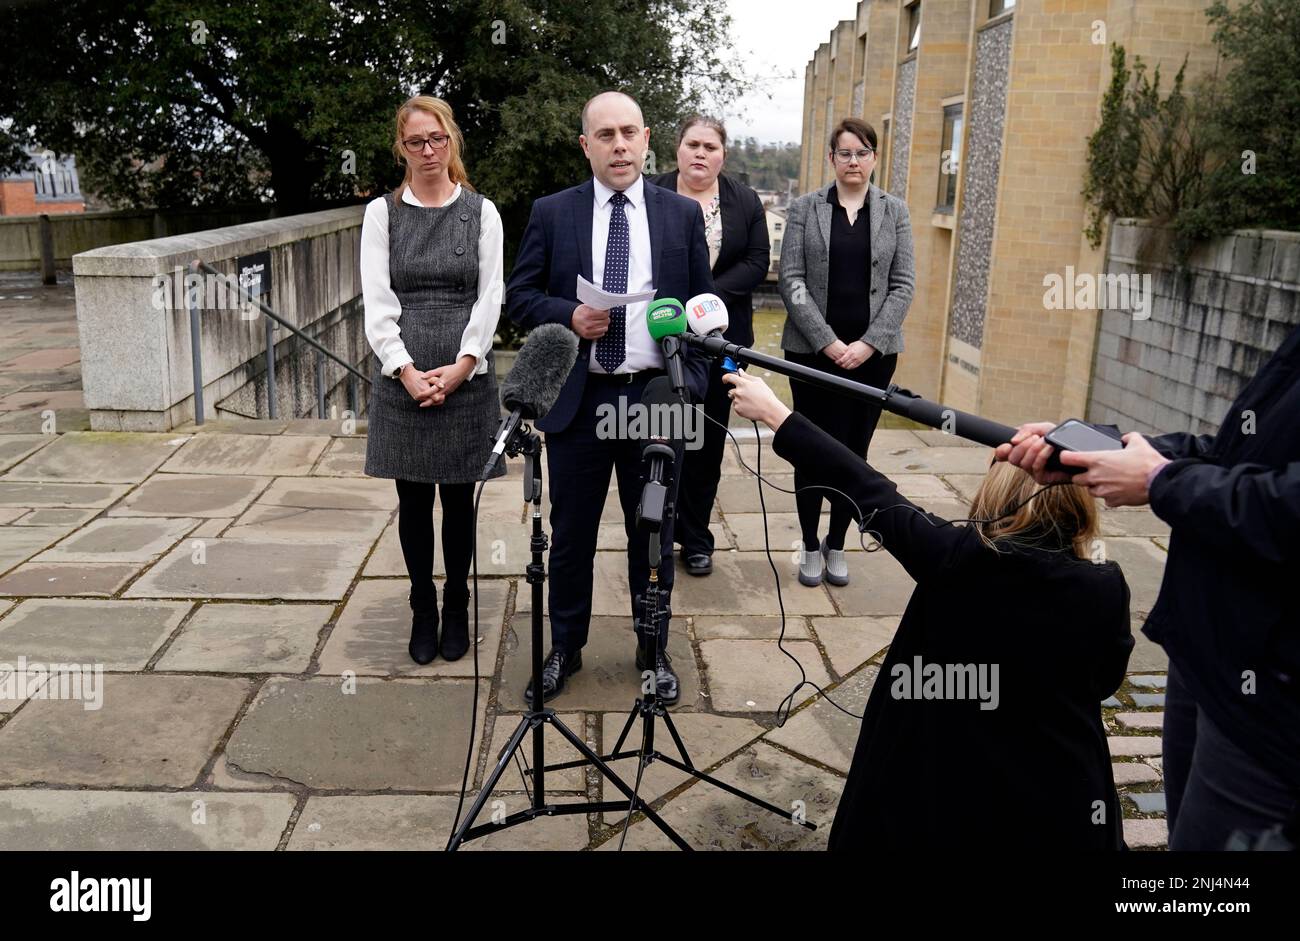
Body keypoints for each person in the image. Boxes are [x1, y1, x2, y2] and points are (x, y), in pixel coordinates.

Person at [723, 368, 1134, 850]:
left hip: (939, 781)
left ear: (995, 495)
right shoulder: (1106, 586)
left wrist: (775, 412)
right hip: (1057, 790)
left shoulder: (954, 557)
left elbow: (865, 486)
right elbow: (1104, 679)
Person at [996, 320, 1300, 850]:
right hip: (1210, 651)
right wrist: (1108, 450)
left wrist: (1162, 482)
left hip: (1273, 705)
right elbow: (1241, 453)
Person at [505, 91, 714, 705]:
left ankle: (653, 650)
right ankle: (565, 647)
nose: (619, 145)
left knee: (653, 530)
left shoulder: (679, 216)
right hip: (581, 398)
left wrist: (690, 386)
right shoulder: (552, 212)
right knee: (571, 535)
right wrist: (568, 314)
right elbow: (519, 297)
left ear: (647, 139)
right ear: (586, 145)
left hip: (654, 399)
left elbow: (706, 312)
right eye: (606, 135)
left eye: (629, 133)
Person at [362, 95, 505, 665]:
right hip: (405, 376)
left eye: (437, 139)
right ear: (402, 147)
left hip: (465, 375)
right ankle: (423, 602)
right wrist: (404, 370)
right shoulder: (381, 213)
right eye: (417, 141)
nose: (428, 150)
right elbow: (376, 300)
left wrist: (466, 363)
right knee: (414, 499)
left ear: (452, 142)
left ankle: (457, 601)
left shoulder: (482, 212)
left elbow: (491, 294)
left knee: (460, 500)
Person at [779, 117, 914, 589]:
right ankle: (810, 544)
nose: (853, 161)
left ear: (874, 157)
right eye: (844, 153)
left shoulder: (895, 211)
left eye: (861, 152)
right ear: (831, 158)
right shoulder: (804, 209)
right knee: (810, 449)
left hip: (873, 359)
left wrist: (867, 344)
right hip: (812, 355)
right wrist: (829, 342)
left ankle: (838, 543)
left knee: (854, 453)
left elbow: (903, 286)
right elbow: (790, 280)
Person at [648, 115, 770, 577]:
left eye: (710, 147)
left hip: (721, 338)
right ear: (676, 148)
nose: (701, 154)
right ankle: (656, 532)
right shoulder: (649, 192)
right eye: (692, 144)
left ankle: (696, 538)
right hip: (662, 334)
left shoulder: (745, 201)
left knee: (707, 443)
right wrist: (680, 310)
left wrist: (706, 298)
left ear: (723, 154)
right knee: (661, 437)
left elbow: (758, 260)